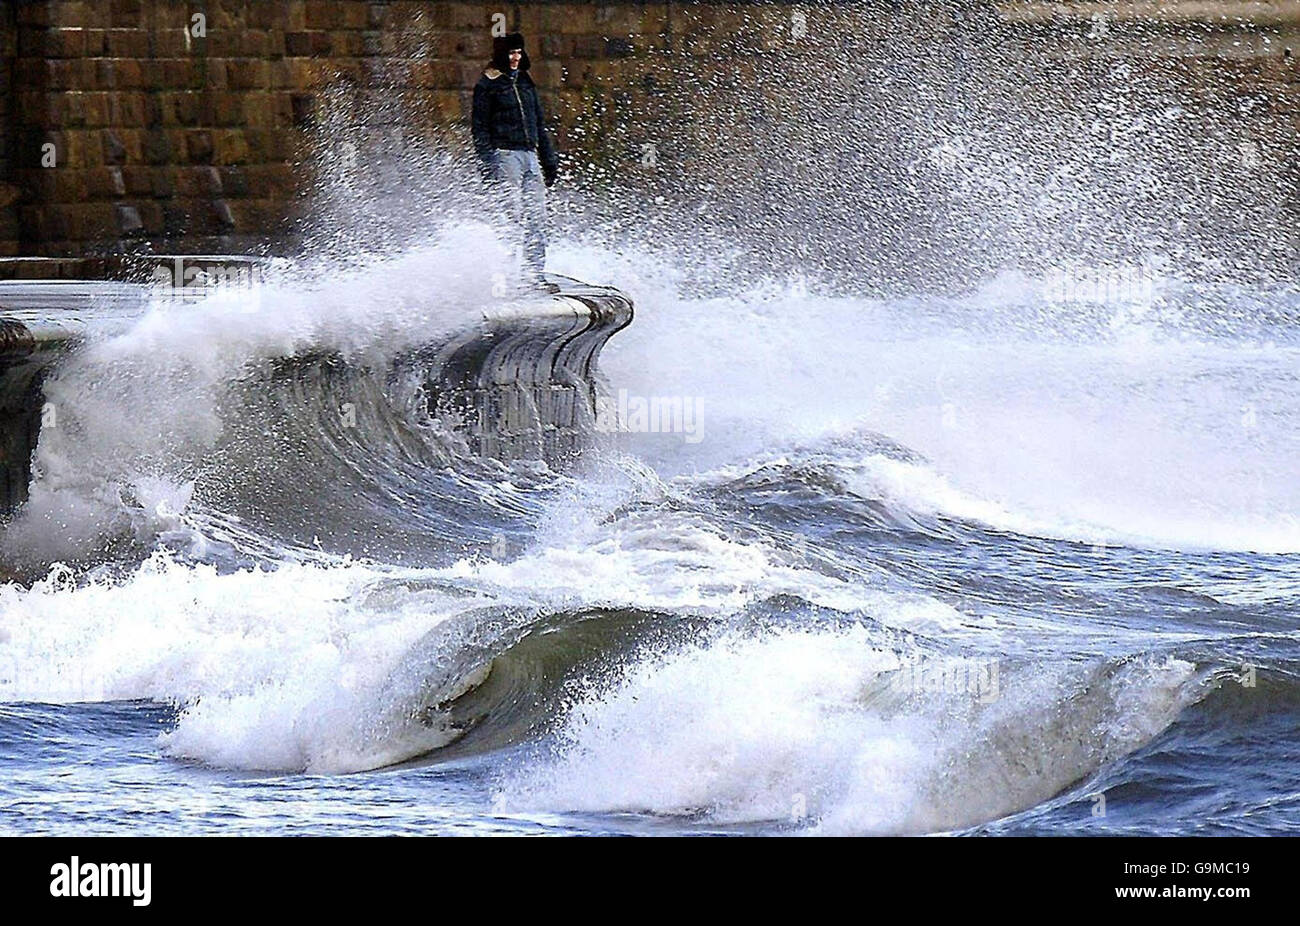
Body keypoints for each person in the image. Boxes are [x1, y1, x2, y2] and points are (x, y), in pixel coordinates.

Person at [472, 33, 560, 288]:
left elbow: (539, 124)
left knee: (537, 219)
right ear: (501, 54)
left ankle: (534, 276)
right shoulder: (488, 85)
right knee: (511, 217)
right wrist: (487, 163)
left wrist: (549, 160)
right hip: (505, 156)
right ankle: (506, 277)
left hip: (531, 156)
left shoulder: (525, 82)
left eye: (519, 53)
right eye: (511, 53)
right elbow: (480, 129)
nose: (515, 58)